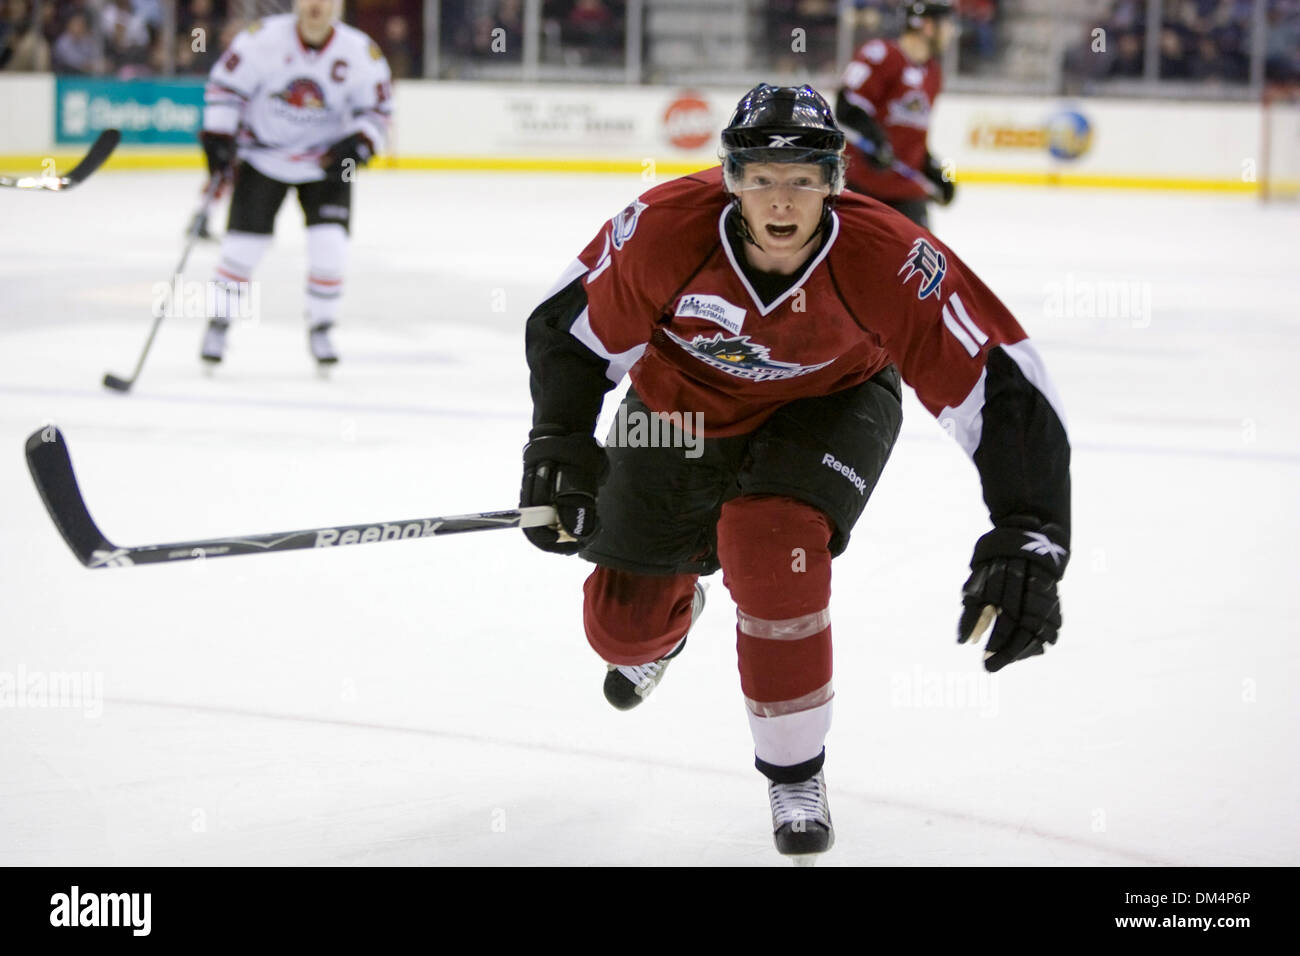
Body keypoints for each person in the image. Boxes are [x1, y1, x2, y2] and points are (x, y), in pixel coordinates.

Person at [518, 84, 1071, 862]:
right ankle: (675, 603)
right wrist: (560, 448)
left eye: (805, 179)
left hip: (830, 404)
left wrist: (1030, 527)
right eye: (763, 177)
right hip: (677, 407)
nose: (783, 200)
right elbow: (569, 330)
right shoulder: (666, 231)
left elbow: (1003, 383)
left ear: (835, 183)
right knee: (619, 628)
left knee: (771, 540)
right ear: (731, 178)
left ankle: (794, 772)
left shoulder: (885, 255)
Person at [197, 0, 392, 368]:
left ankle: (321, 328)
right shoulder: (263, 40)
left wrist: (360, 144)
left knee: (330, 248)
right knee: (241, 248)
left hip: (326, 165)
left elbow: (379, 110)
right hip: (263, 157)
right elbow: (225, 87)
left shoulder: (360, 51)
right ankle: (218, 324)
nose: (315, 5)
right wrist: (219, 136)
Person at [835, 0, 955, 229]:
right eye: (947, 24)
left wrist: (931, 170)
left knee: (923, 261)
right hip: (864, 188)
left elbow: (912, 135)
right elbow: (847, 106)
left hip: (906, 194)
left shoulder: (933, 73)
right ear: (928, 26)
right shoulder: (880, 55)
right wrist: (874, 140)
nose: (951, 32)